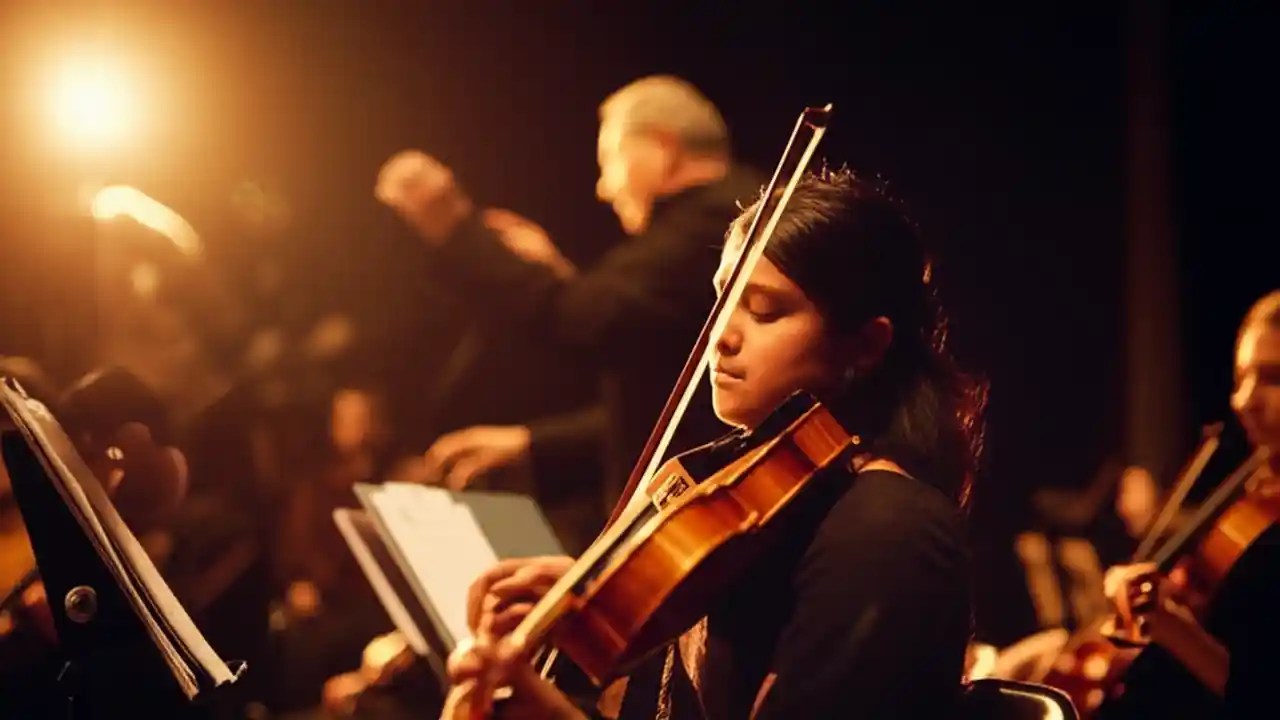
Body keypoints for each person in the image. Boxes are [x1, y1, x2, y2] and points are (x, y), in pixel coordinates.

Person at [436, 166, 987, 718]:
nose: (721, 335)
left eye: (765, 310)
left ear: (865, 345)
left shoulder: (889, 533)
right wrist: (605, 601)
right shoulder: (763, 519)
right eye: (723, 299)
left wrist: (541, 709)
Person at [376, 75, 765, 519]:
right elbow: (660, 411)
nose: (603, 187)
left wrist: (457, 231)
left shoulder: (716, 221)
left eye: (610, 160)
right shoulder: (699, 231)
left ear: (662, 148)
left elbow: (585, 320)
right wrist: (531, 445)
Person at [1096, 289, 1280, 719]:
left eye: (1272, 377)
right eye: (1241, 378)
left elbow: (1263, 695)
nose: (1243, 401)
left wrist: (1168, 623)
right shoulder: (1258, 496)